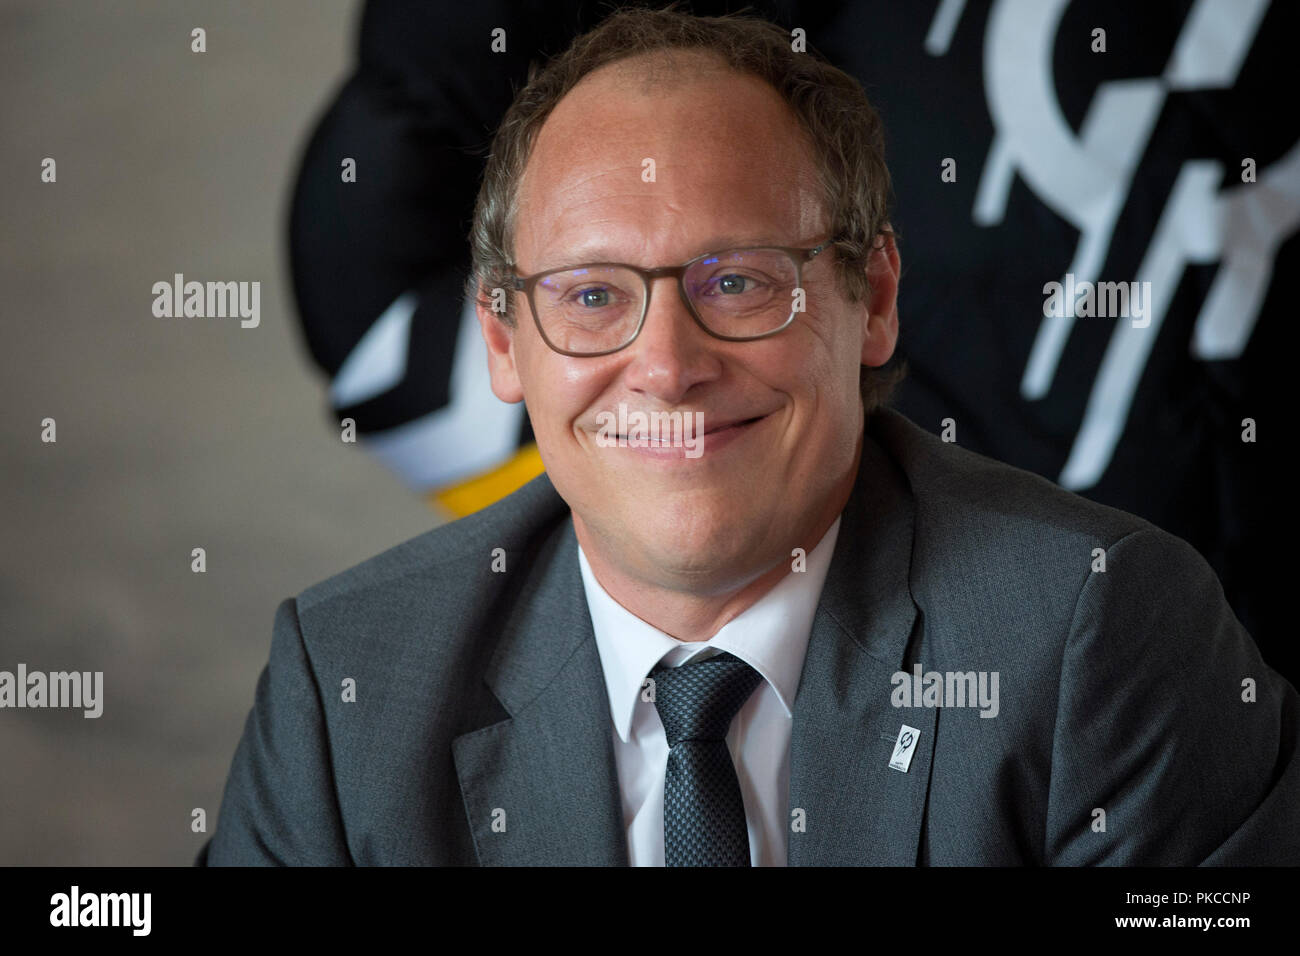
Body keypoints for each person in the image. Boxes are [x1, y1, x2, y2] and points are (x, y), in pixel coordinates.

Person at [202, 7, 1297, 866]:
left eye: (738, 282)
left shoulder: (1103, 638)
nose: (668, 363)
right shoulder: (346, 684)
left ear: (870, 300)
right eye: (589, 296)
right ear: (501, 337)